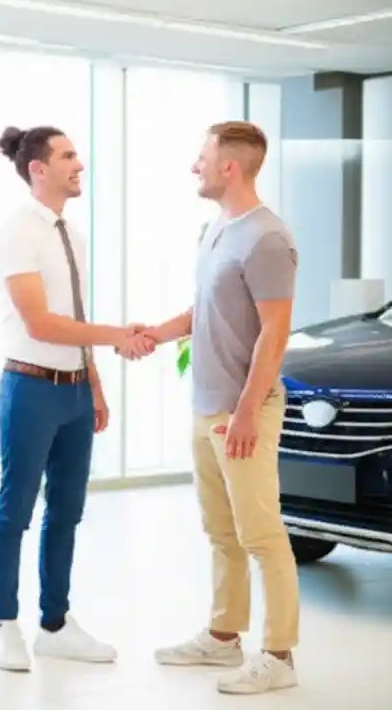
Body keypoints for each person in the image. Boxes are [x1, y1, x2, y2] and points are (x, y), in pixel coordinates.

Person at [142, 120, 300, 695]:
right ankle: (223, 635)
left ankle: (279, 655)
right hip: (207, 407)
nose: (195, 166)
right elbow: (205, 310)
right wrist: (154, 334)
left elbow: (274, 333)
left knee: (261, 534)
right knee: (221, 532)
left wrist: (246, 412)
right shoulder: (217, 231)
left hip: (243, 414)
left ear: (229, 167)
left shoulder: (267, 239)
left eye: (202, 157)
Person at [0, 125, 155, 672]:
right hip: (30, 387)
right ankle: (5, 625)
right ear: (39, 169)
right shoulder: (19, 231)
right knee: (15, 511)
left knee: (67, 512)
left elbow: (76, 316)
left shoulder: (71, 233)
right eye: (67, 156)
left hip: (75, 392)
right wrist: (117, 335)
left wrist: (96, 384)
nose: (78, 163)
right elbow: (40, 323)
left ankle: (55, 624)